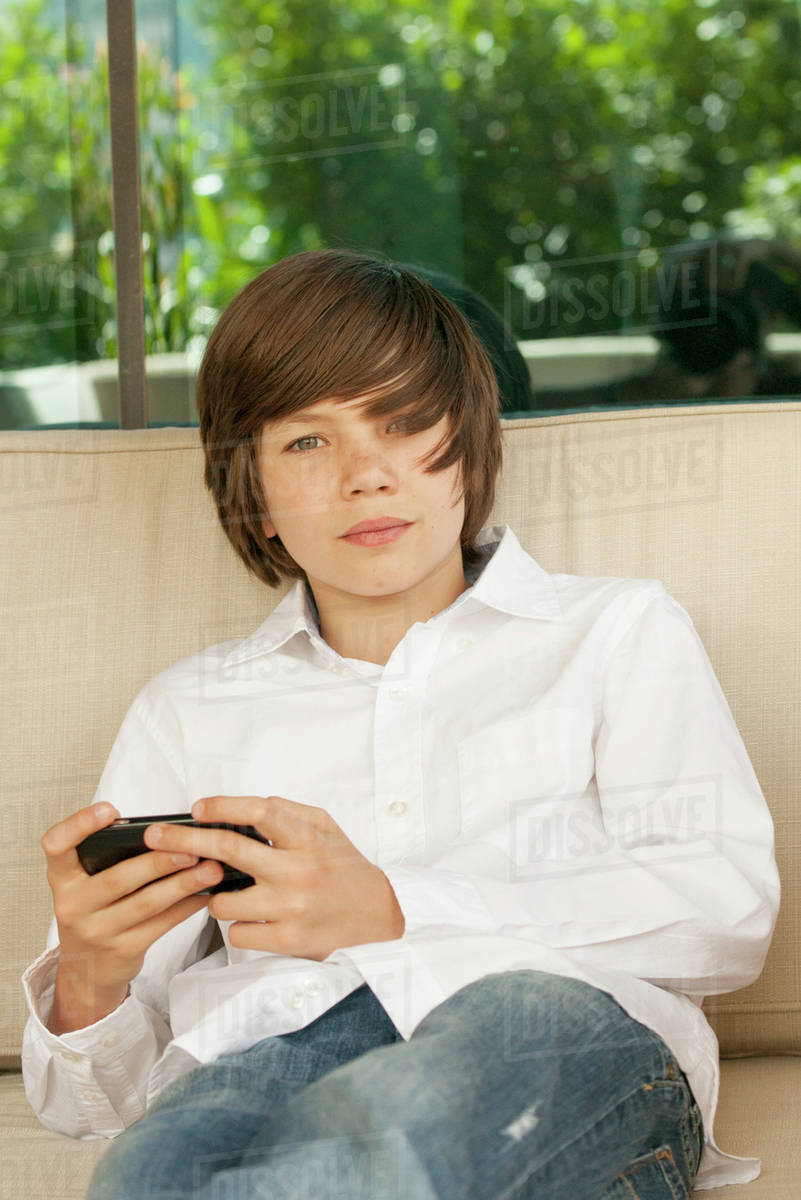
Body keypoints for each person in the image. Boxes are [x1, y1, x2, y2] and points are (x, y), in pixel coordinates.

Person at [21, 249, 779, 1198]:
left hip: (546, 1035)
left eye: (404, 422)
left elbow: (723, 909)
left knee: (394, 1130)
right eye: (308, 441)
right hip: (264, 1050)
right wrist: (90, 978)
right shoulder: (186, 707)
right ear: (253, 496)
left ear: (469, 449)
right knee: (150, 1174)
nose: (365, 476)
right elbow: (98, 1106)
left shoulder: (614, 631)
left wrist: (396, 908)